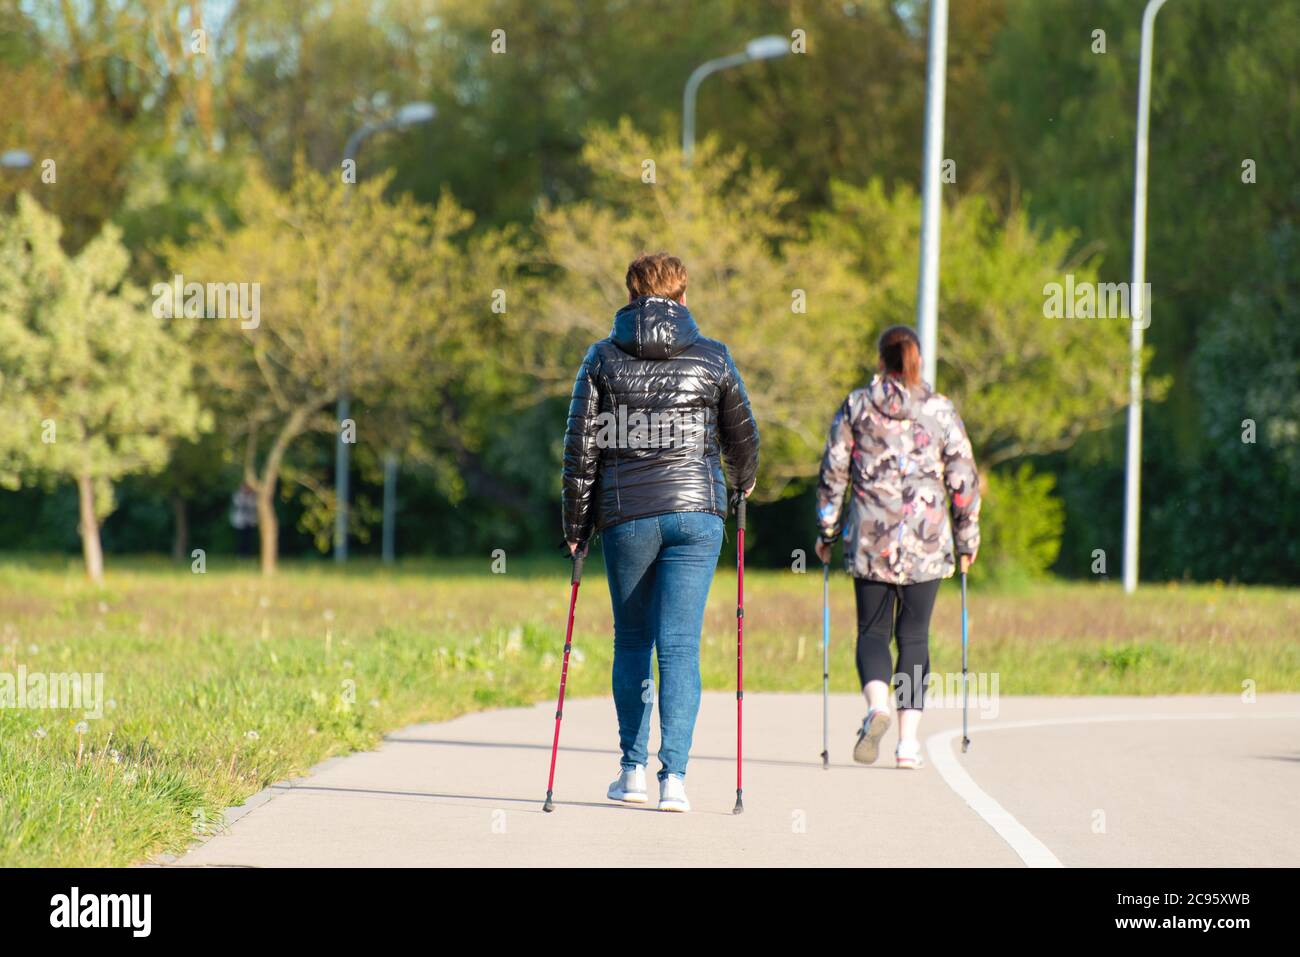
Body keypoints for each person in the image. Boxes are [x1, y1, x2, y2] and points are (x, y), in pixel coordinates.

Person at [562, 252, 759, 812]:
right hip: (698, 515)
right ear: (684, 296)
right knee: (679, 647)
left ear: (629, 296)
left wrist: (575, 527)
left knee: (632, 641)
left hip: (628, 516)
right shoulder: (714, 357)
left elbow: (581, 451)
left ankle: (632, 772)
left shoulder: (600, 359)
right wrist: (741, 484)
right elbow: (742, 437)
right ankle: (676, 779)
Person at [814, 325, 980, 770]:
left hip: (871, 537)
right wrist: (967, 538)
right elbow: (963, 479)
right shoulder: (940, 410)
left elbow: (833, 472)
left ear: (880, 360)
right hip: (927, 542)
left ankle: (877, 706)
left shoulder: (856, 406)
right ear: (917, 361)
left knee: (871, 634)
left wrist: (826, 531)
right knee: (914, 637)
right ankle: (908, 743)